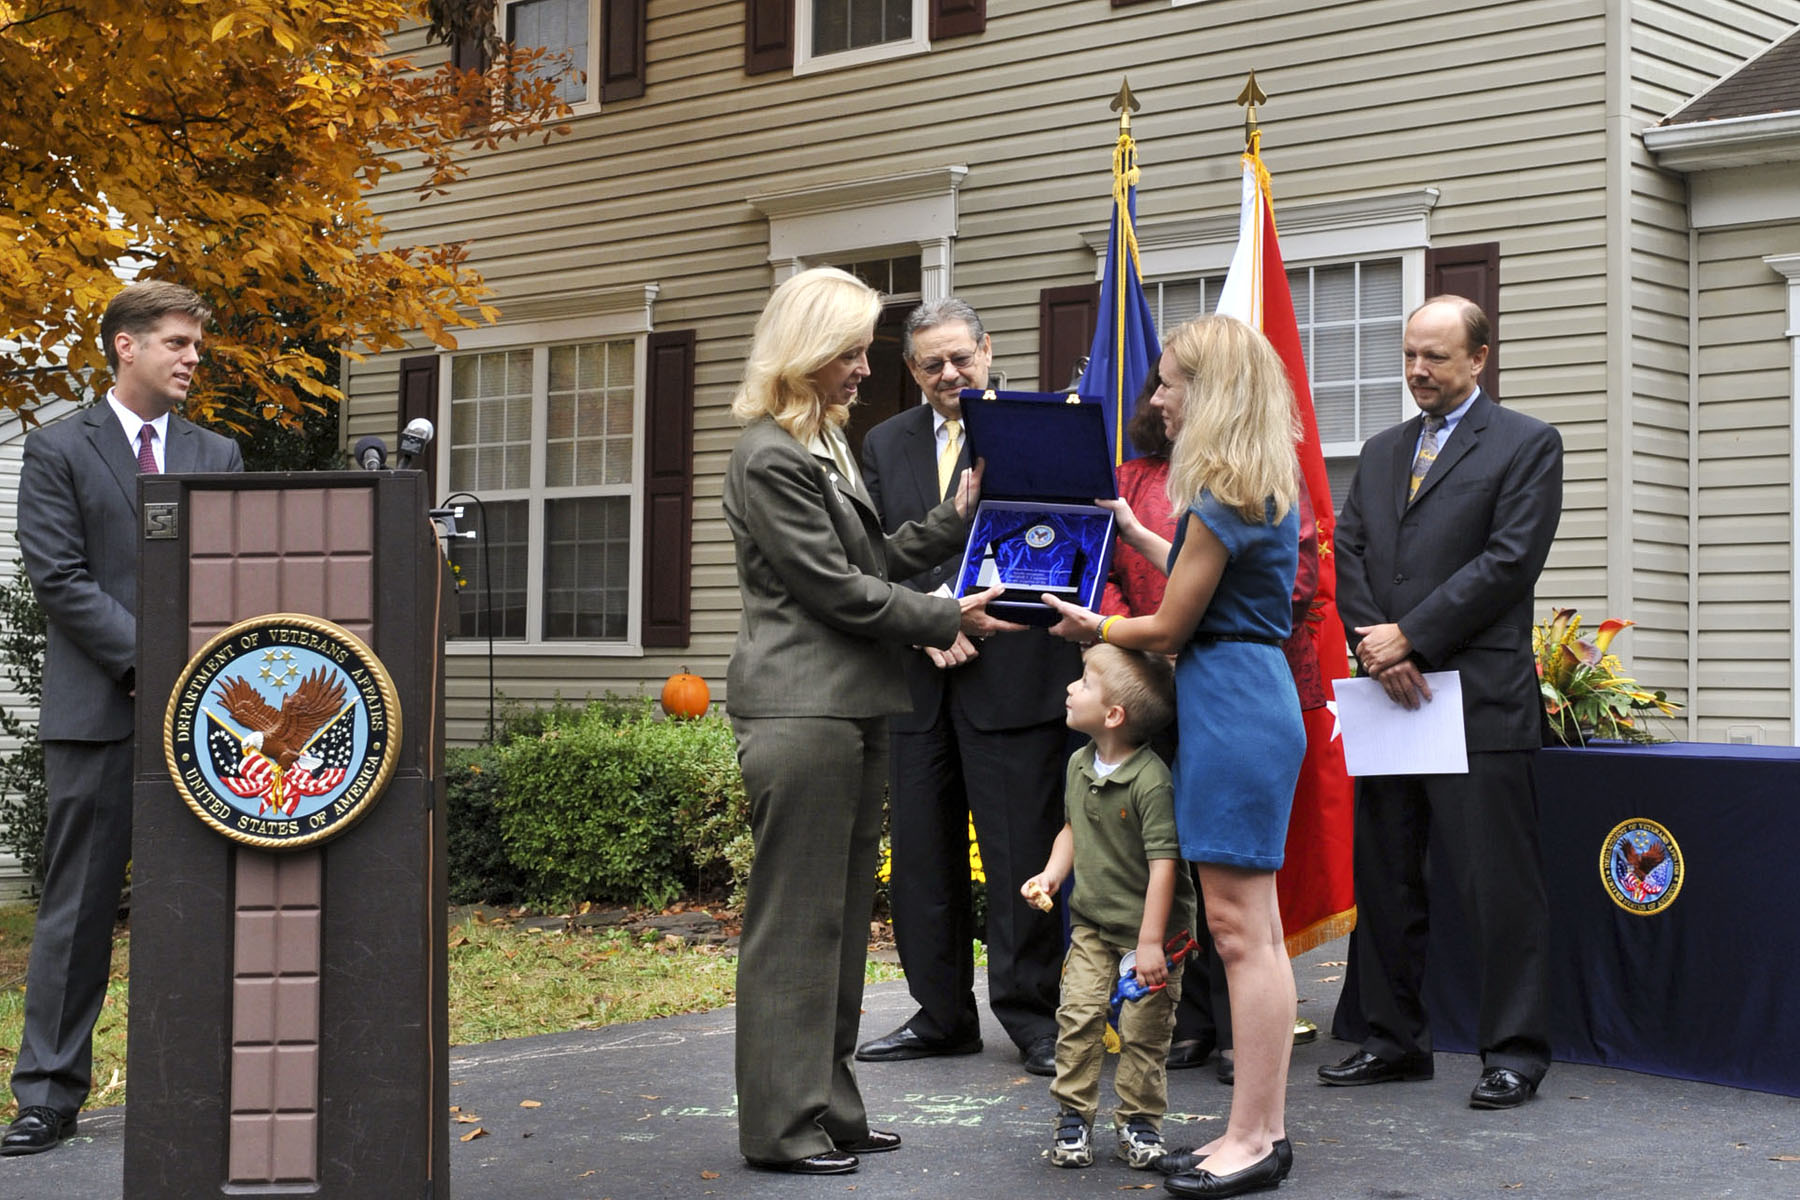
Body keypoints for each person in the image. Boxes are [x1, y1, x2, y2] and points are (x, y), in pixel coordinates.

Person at [721, 267, 1019, 1176]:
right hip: (802, 710)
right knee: (797, 927)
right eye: (850, 352)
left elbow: (878, 555)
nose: (864, 369)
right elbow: (833, 589)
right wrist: (946, 617)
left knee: (845, 923)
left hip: (849, 706)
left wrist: (955, 519)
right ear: (806, 353)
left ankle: (830, 1106)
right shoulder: (769, 453)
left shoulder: (822, 444)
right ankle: (779, 1125)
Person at [1045, 314, 1304, 1199]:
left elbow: (1169, 623)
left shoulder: (1224, 490)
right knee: (1254, 932)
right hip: (1247, 695)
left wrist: (1095, 625)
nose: (1157, 399)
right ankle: (1258, 1129)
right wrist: (1133, 528)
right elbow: (1203, 572)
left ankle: (1256, 1137)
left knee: (1240, 935)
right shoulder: (1251, 481)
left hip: (1232, 707)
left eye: (1170, 383)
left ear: (1212, 390)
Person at [4, 281, 244, 1156]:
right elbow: (59, 577)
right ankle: (47, 1097)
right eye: (178, 343)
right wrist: (152, 664)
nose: (191, 359)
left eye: (195, 347)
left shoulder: (219, 456)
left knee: (211, 904)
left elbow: (234, 578)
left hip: (210, 721)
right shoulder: (58, 449)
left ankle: (208, 1085)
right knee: (76, 910)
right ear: (125, 346)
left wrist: (204, 677)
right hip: (101, 714)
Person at [1318, 295, 1563, 1111]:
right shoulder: (1385, 451)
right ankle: (1392, 1040)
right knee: (1386, 879)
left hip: (1476, 698)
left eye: (1438, 357)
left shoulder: (1528, 445)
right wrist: (1374, 645)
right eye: (1411, 355)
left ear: (1479, 359)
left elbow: (1508, 562)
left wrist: (1411, 638)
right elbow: (1349, 548)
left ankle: (1515, 1052)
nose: (1419, 371)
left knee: (1498, 887)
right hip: (1389, 697)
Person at [855, 298, 1081, 1078]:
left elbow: (1063, 536)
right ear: (911, 371)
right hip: (918, 675)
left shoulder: (1038, 427)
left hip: (1017, 673)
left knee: (1021, 851)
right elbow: (876, 552)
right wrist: (928, 623)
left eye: (961, 358)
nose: (949, 374)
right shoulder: (885, 442)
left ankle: (1033, 1018)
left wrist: (972, 618)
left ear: (988, 350)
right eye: (931, 364)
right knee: (922, 857)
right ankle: (940, 1014)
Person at [1020, 643, 1194, 1172]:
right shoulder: (1078, 764)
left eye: (1084, 683)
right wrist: (1052, 874)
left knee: (1144, 1030)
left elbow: (1165, 864)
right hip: (1093, 924)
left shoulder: (1151, 780)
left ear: (1114, 715)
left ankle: (1140, 1122)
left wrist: (1149, 944)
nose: (1071, 688)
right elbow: (1073, 827)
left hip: (1152, 937)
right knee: (1077, 1017)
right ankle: (1073, 1118)